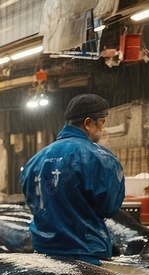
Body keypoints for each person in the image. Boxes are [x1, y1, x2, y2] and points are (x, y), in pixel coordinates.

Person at [20, 93, 124, 265]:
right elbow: (108, 208)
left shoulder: (34, 161)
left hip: (42, 253)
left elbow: (32, 203)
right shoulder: (101, 158)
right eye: (102, 123)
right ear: (88, 123)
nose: (102, 130)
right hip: (85, 253)